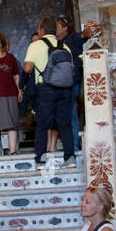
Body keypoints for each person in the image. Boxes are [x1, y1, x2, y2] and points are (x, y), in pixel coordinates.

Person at [23, 17, 75, 167]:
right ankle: (70, 158)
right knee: (65, 124)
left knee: (42, 125)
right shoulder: (64, 46)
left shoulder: (36, 45)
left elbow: (27, 68)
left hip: (46, 89)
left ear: (42, 30)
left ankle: (40, 159)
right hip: (65, 89)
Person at [56, 16, 87, 149]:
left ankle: (74, 145)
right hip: (64, 82)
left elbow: (83, 36)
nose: (55, 30)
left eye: (57, 27)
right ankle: (72, 144)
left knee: (71, 112)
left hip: (72, 82)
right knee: (68, 112)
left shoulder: (73, 38)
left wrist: (89, 31)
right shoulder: (59, 43)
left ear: (65, 28)